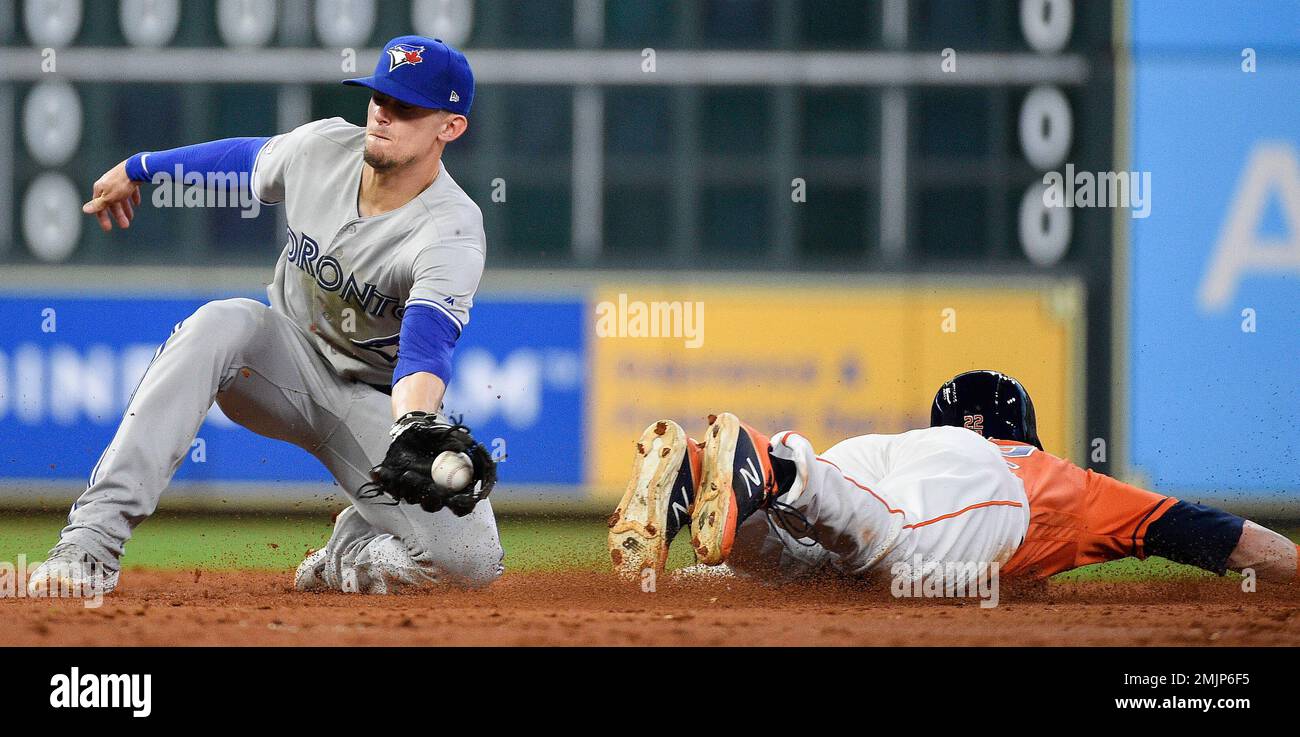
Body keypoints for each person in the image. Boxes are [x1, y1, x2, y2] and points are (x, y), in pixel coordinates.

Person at [29, 36, 503, 597]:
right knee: (220, 323)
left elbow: (427, 346)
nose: (383, 114)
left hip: (375, 405)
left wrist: (413, 423)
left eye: (407, 108)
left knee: (470, 566)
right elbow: (241, 159)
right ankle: (89, 545)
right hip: (283, 364)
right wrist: (142, 167)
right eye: (380, 97)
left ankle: (348, 552)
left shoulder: (451, 229)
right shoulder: (323, 147)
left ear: (450, 127)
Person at [609, 370, 1298, 591]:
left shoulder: (919, 443)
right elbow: (1210, 530)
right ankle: (779, 464)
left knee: (810, 567)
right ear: (1023, 429)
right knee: (895, 548)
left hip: (873, 460)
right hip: (990, 492)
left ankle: (718, 482)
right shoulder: (1052, 476)